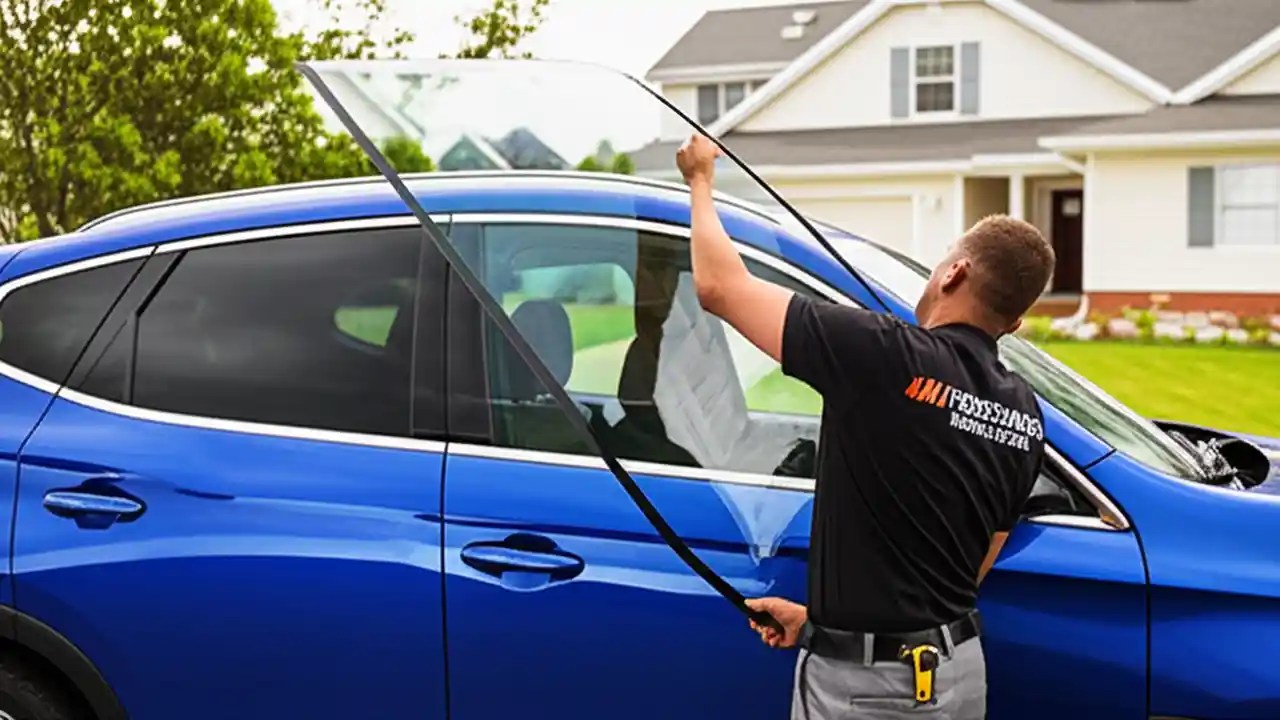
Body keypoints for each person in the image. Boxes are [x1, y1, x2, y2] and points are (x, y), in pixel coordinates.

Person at [675, 133, 1054, 720]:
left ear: (954, 272)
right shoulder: (1023, 411)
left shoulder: (886, 355)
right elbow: (970, 561)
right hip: (959, 675)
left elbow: (719, 287)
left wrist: (700, 180)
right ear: (1017, 321)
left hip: (866, 690)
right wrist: (824, 625)